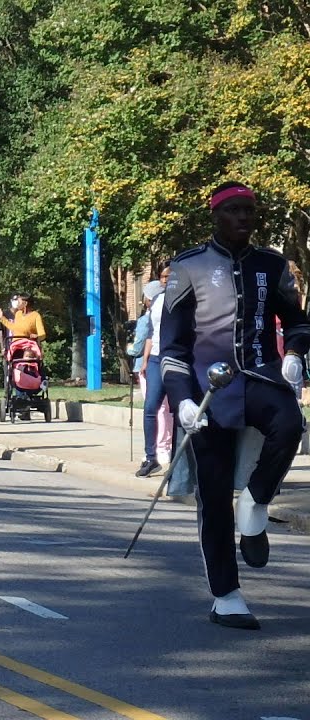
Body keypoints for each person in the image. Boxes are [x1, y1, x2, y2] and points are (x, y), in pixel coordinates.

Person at [159, 181, 310, 630]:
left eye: (251, 211)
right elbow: (173, 346)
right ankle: (226, 594)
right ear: (216, 216)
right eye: (235, 211)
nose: (245, 218)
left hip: (261, 375)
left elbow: (298, 323)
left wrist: (298, 355)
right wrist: (182, 399)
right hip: (209, 390)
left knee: (290, 424)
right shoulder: (187, 267)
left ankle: (257, 502)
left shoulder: (272, 263)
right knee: (213, 491)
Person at [137, 267, 173, 476]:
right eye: (163, 277)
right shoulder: (157, 299)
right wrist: (145, 359)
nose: (166, 280)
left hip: (176, 357)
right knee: (151, 406)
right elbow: (151, 332)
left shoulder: (187, 299)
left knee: (176, 410)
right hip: (156, 358)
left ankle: (178, 456)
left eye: (169, 276)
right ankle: (151, 457)